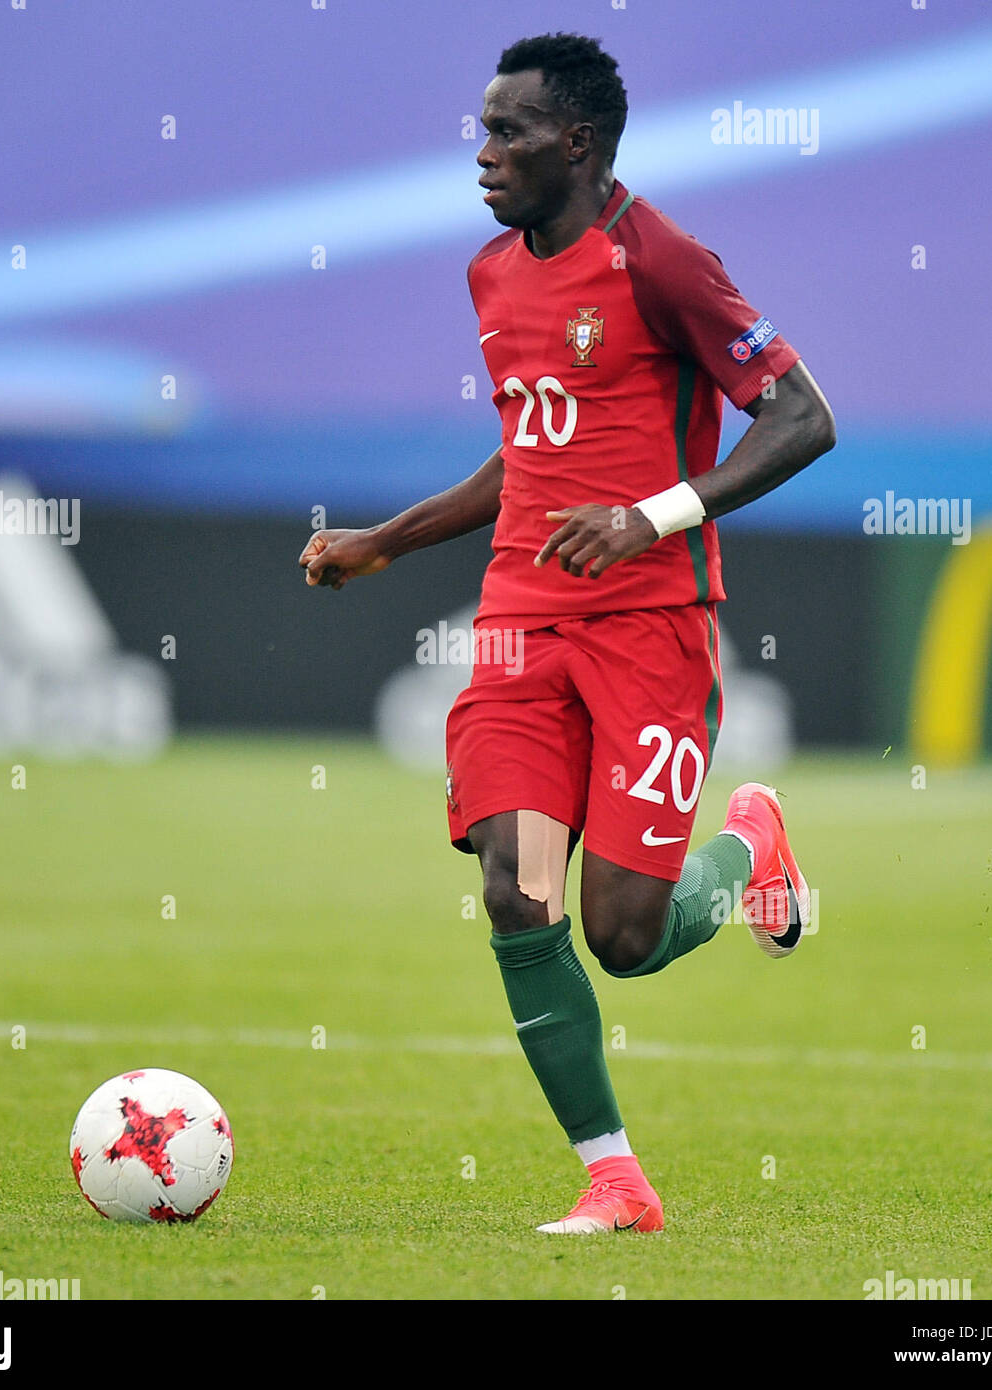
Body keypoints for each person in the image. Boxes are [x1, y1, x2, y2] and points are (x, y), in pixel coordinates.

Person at [300, 32, 835, 1234]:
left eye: (509, 132)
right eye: (481, 131)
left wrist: (650, 514)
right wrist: (387, 538)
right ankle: (615, 1180)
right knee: (515, 892)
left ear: (577, 143)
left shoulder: (665, 263)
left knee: (624, 936)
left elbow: (803, 417)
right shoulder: (494, 275)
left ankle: (752, 857)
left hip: (650, 628)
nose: (483, 156)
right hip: (518, 629)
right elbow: (530, 454)